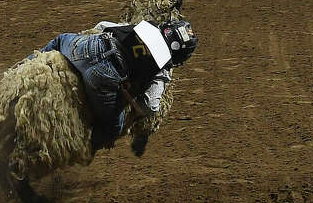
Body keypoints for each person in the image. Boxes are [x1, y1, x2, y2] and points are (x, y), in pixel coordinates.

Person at [37, 20, 196, 153]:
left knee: (60, 40)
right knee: (113, 128)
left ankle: (20, 69)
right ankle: (75, 152)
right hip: (104, 75)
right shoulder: (162, 66)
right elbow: (150, 105)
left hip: (88, 47)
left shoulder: (145, 26)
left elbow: (101, 26)